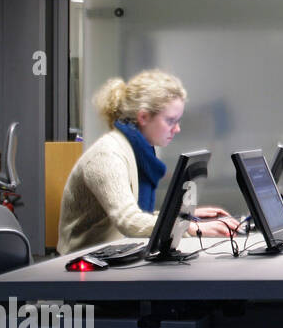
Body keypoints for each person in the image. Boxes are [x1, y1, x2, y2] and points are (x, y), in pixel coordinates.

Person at [58, 70, 238, 253]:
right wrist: (189, 227)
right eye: (170, 121)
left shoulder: (137, 151)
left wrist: (181, 218)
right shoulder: (107, 156)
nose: (177, 129)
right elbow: (129, 221)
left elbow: (135, 217)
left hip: (118, 255)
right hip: (86, 264)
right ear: (143, 117)